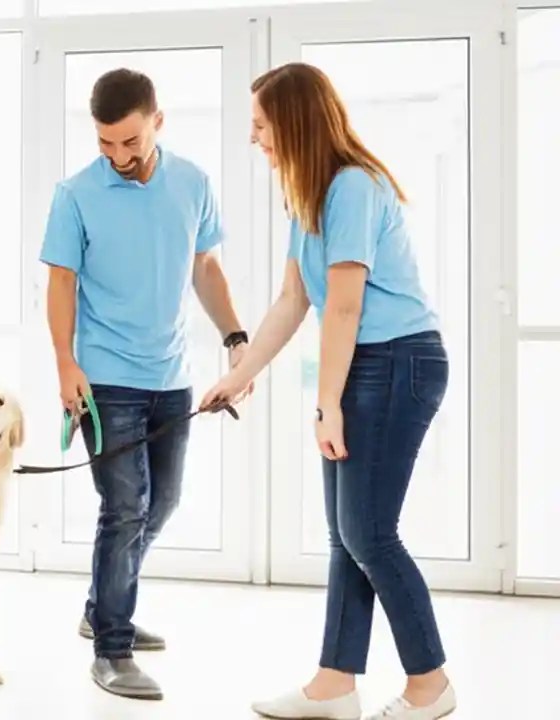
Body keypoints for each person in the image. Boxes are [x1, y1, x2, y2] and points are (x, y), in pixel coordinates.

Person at [202, 62, 457, 720]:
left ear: (292, 123)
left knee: (371, 533)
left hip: (399, 362)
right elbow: (295, 300)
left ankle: (431, 684)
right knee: (347, 535)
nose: (255, 137)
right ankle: (334, 684)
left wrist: (328, 404)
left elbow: (343, 309)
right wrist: (240, 373)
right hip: (366, 362)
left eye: (261, 124)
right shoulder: (309, 195)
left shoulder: (351, 187)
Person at [40, 68, 247, 699]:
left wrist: (236, 339)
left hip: (171, 376)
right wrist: (65, 364)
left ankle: (102, 604)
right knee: (123, 509)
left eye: (129, 141)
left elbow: (205, 267)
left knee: (163, 503)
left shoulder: (192, 182)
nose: (118, 156)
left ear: (157, 120)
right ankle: (112, 648)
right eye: (106, 144)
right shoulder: (75, 194)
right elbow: (62, 284)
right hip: (106, 378)